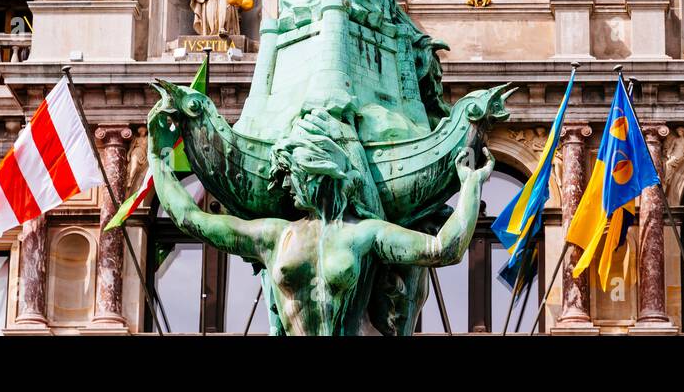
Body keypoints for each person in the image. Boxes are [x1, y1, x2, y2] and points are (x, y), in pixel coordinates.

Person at [149, 103, 495, 336]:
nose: (288, 186)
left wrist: (470, 185)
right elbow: (189, 217)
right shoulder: (274, 235)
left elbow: (444, 248)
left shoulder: (364, 235)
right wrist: (159, 157)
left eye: (295, 175)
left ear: (322, 175)